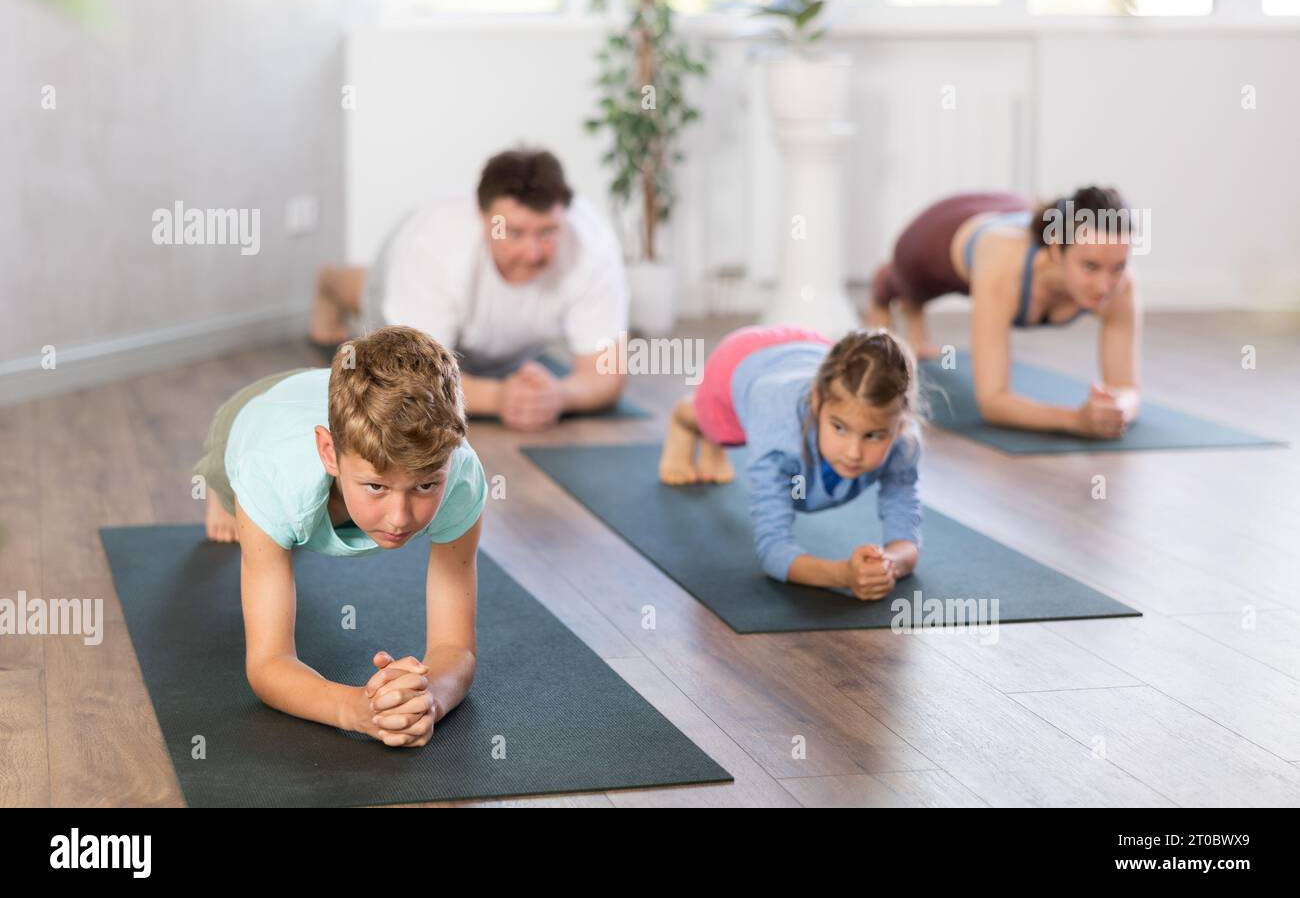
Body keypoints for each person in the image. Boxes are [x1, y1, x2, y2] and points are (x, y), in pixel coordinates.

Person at [191, 325, 486, 748]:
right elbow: (269, 664)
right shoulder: (270, 476)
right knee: (233, 496)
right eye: (376, 487)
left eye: (424, 486)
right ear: (329, 454)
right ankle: (225, 499)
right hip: (255, 411)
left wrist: (427, 701)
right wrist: (358, 709)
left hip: (326, 395)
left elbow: (456, 648)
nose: (400, 518)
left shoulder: (459, 473)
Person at [310, 148, 629, 431]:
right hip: (407, 271)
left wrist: (559, 397)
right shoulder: (434, 247)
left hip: (496, 343)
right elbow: (414, 380)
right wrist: (499, 398)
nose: (533, 253)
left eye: (547, 232)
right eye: (515, 233)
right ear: (483, 217)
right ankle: (329, 281)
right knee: (368, 296)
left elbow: (606, 373)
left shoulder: (592, 245)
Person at [659, 325, 923, 602]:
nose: (854, 452)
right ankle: (685, 420)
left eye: (873, 436)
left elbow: (906, 533)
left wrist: (887, 564)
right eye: (839, 428)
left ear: (900, 423)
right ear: (818, 401)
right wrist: (844, 574)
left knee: (737, 432)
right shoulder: (779, 430)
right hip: (741, 358)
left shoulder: (903, 442)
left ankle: (714, 445)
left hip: (811, 350)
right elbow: (773, 550)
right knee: (721, 429)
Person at [867, 185, 1142, 439]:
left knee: (919, 330)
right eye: (1091, 267)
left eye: (1118, 267)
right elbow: (992, 402)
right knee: (905, 283)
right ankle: (888, 291)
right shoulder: (1005, 269)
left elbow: (1128, 389)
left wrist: (1118, 407)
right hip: (937, 233)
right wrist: (1076, 420)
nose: (1105, 285)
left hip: (1011, 211)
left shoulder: (1122, 285)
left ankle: (915, 320)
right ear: (1057, 249)